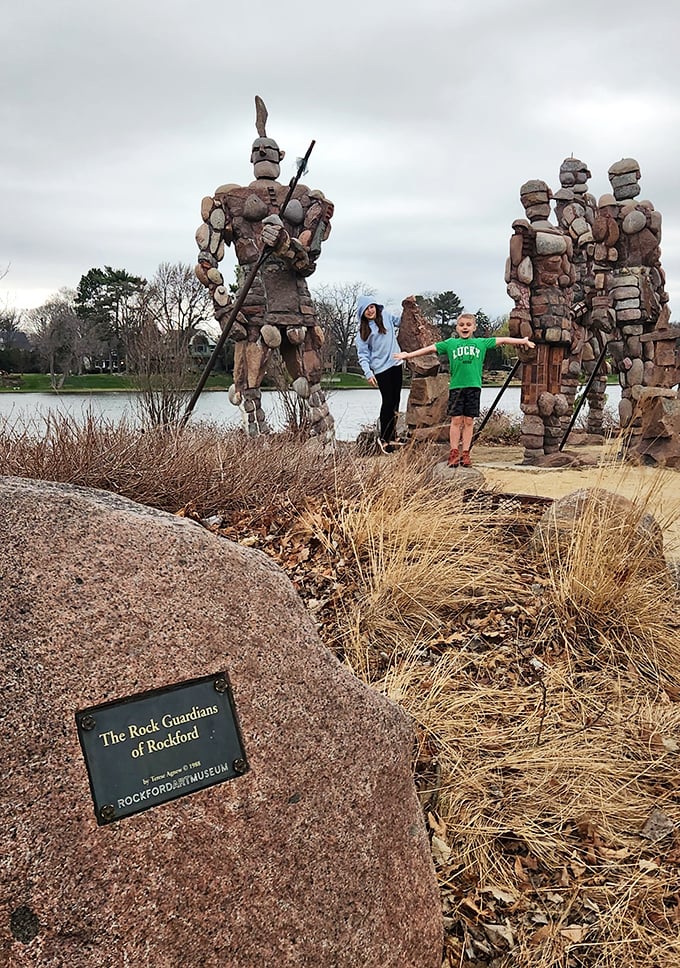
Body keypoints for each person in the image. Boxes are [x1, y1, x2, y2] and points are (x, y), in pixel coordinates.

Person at [394, 312, 535, 467]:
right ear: (457, 327)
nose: (465, 327)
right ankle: (454, 453)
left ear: (474, 327)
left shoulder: (481, 343)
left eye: (468, 325)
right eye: (461, 325)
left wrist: (523, 341)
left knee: (468, 421)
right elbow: (430, 349)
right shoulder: (450, 343)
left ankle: (466, 453)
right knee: (456, 420)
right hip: (456, 387)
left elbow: (503, 340)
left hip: (474, 387)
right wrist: (408, 355)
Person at [355, 295, 412, 452]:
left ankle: (393, 436)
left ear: (376, 307)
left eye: (371, 307)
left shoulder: (386, 316)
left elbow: (401, 322)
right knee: (387, 401)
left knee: (396, 401)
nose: (370, 310)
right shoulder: (362, 333)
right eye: (366, 309)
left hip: (396, 363)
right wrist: (368, 373)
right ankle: (384, 438)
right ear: (362, 313)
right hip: (381, 369)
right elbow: (363, 355)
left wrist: (409, 310)